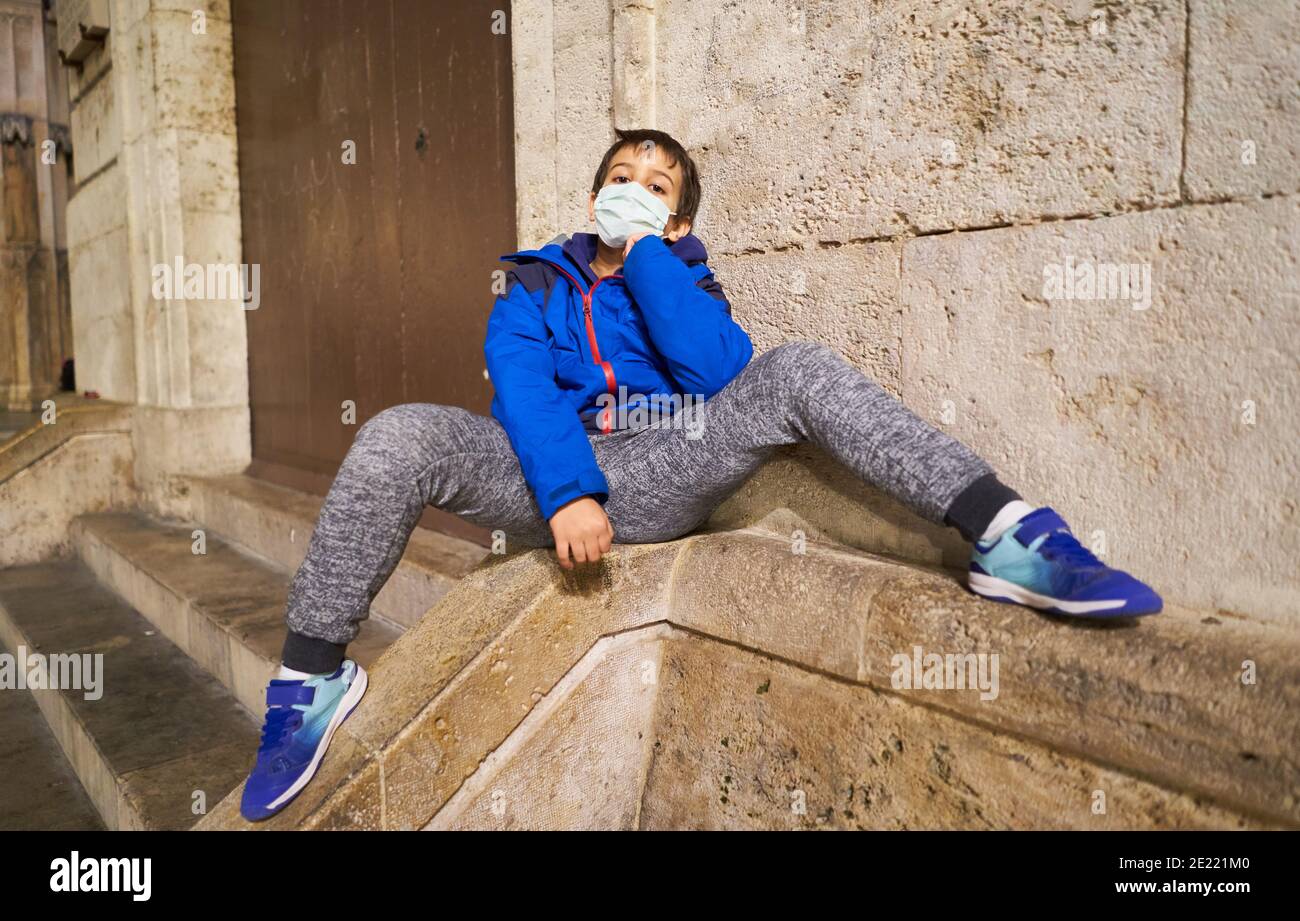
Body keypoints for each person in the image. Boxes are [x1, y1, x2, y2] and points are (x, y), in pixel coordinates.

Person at [239, 128, 1161, 821]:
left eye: (655, 188)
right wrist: (569, 492)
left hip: (668, 461)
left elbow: (720, 374)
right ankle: (312, 677)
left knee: (795, 367)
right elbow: (522, 389)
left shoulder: (682, 276)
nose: (631, 192)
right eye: (619, 180)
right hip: (550, 474)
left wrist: (649, 259)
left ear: (676, 216)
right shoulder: (531, 284)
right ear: (593, 191)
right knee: (401, 433)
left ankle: (1009, 533)